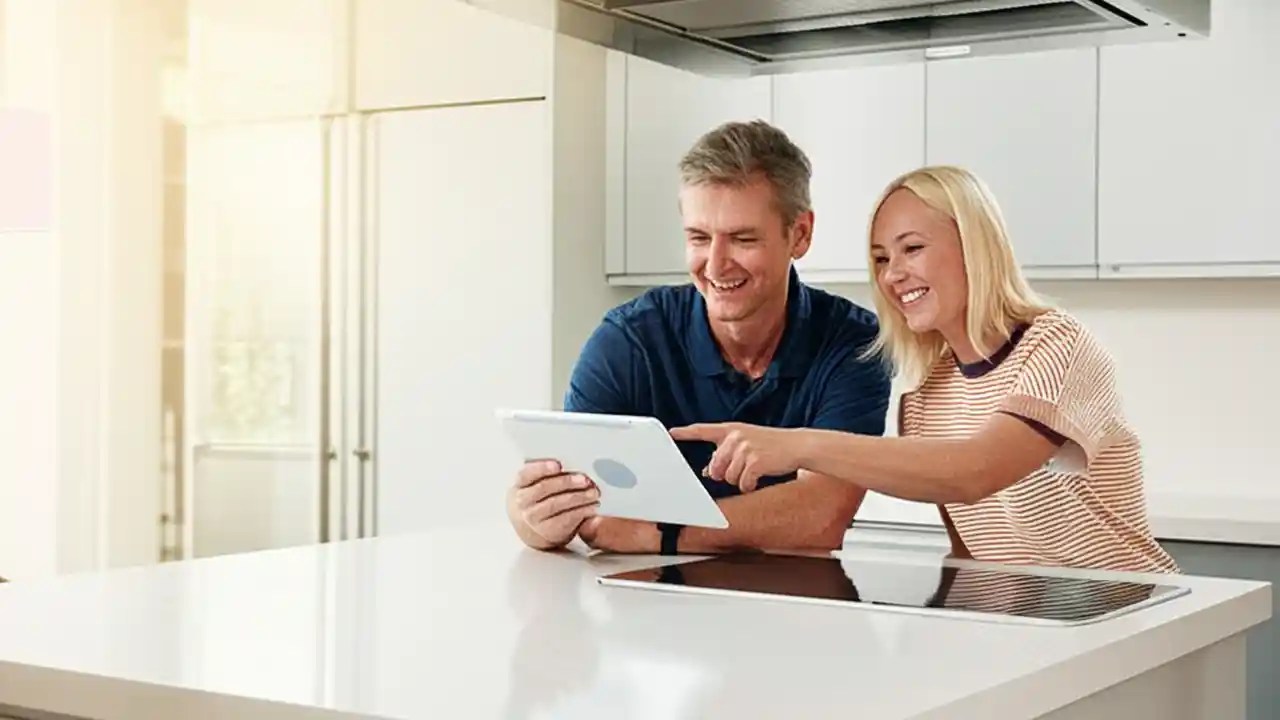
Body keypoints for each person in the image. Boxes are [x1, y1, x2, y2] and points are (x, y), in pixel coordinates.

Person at [672, 165, 1179, 574]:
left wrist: (800, 445)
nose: (894, 274)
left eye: (912, 248)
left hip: (1125, 613)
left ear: (973, 245)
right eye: (880, 259)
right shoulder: (927, 400)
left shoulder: (1055, 345)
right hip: (1031, 630)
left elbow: (976, 471)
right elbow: (971, 558)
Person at [505, 120, 892, 554]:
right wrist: (535, 521)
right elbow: (571, 498)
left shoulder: (854, 345)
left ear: (799, 234)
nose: (715, 264)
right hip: (647, 610)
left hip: (794, 611)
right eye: (699, 238)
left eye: (743, 239)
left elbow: (820, 515)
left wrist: (659, 534)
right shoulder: (628, 341)